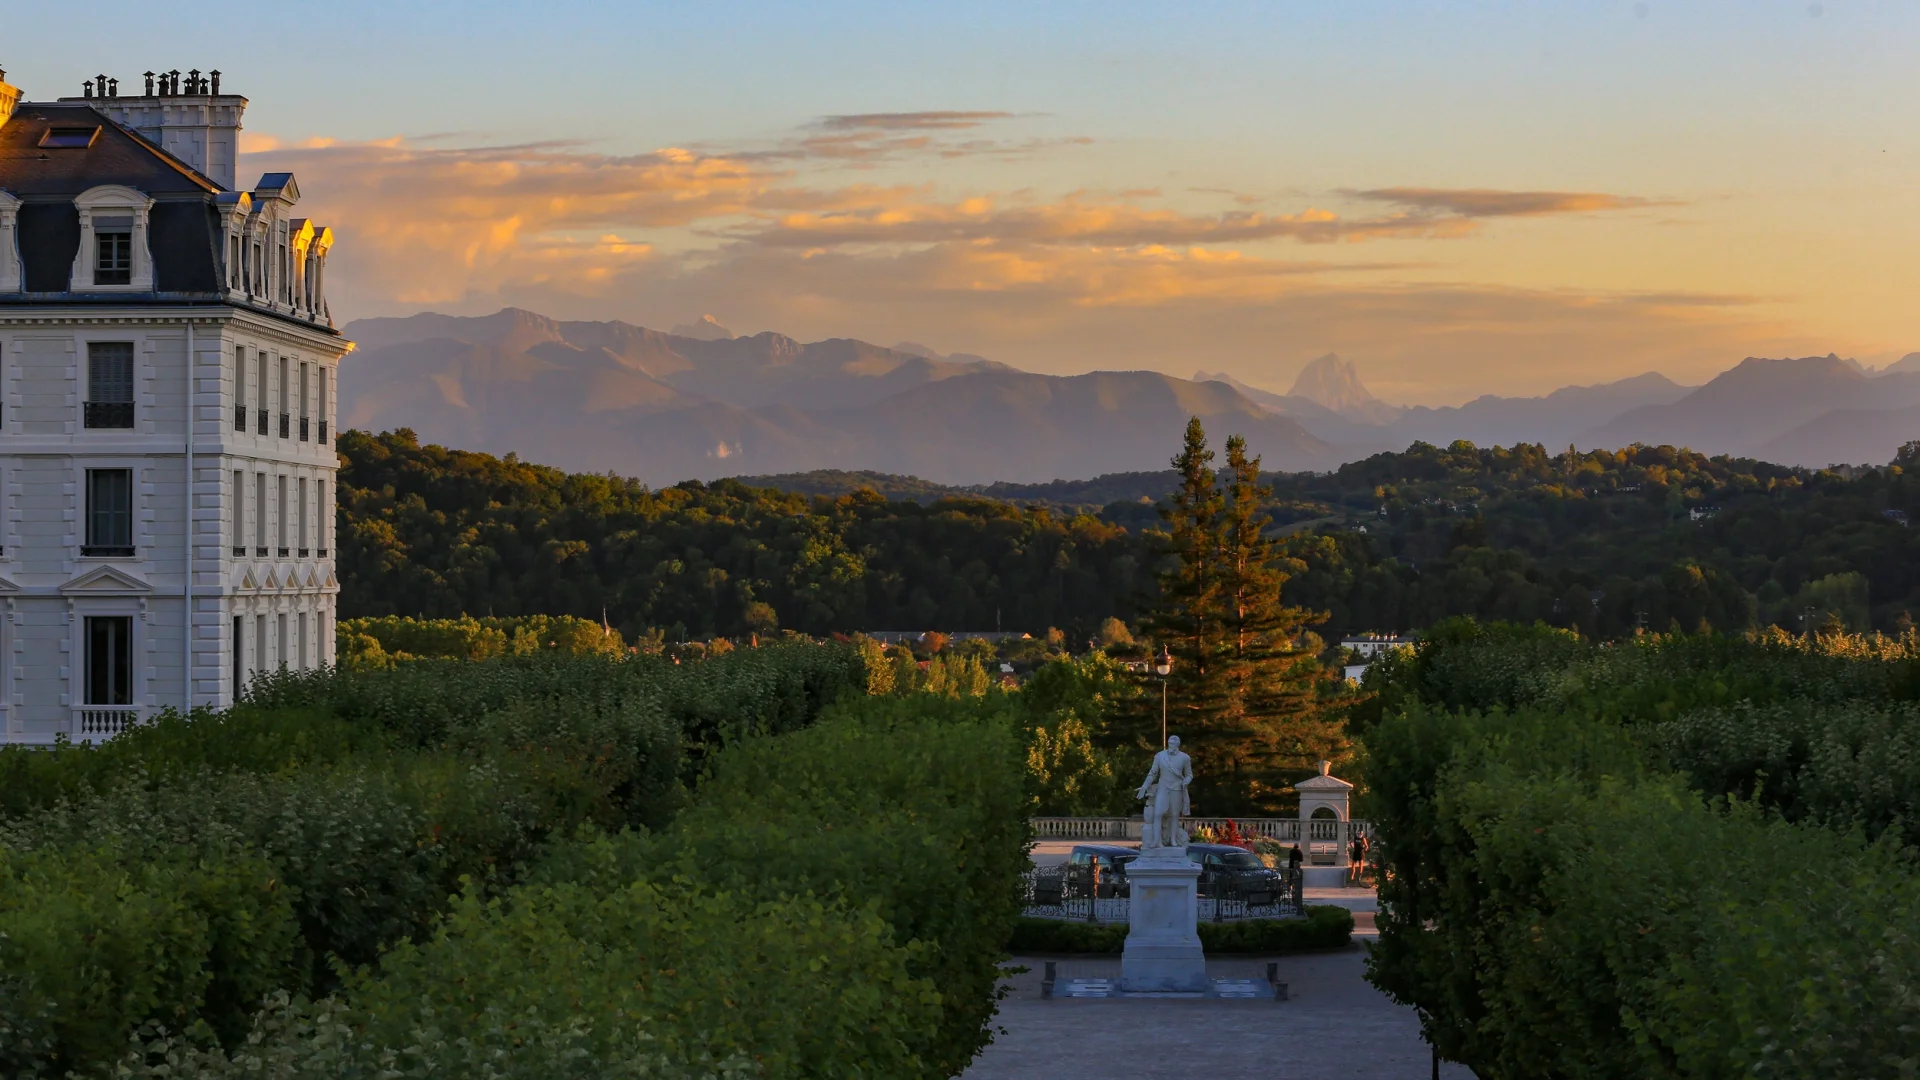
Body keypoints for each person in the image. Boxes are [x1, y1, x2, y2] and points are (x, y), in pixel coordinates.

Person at [1136, 735, 1194, 849]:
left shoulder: (1185, 758)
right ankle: (1157, 841)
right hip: (1163, 788)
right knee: (1157, 814)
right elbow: (1152, 773)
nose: (1170, 746)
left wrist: (1187, 781)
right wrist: (1144, 787)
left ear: (1177, 744)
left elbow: (1189, 774)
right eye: (1169, 743)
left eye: (1172, 744)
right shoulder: (1160, 756)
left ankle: (1173, 840)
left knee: (1174, 815)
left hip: (1176, 788)